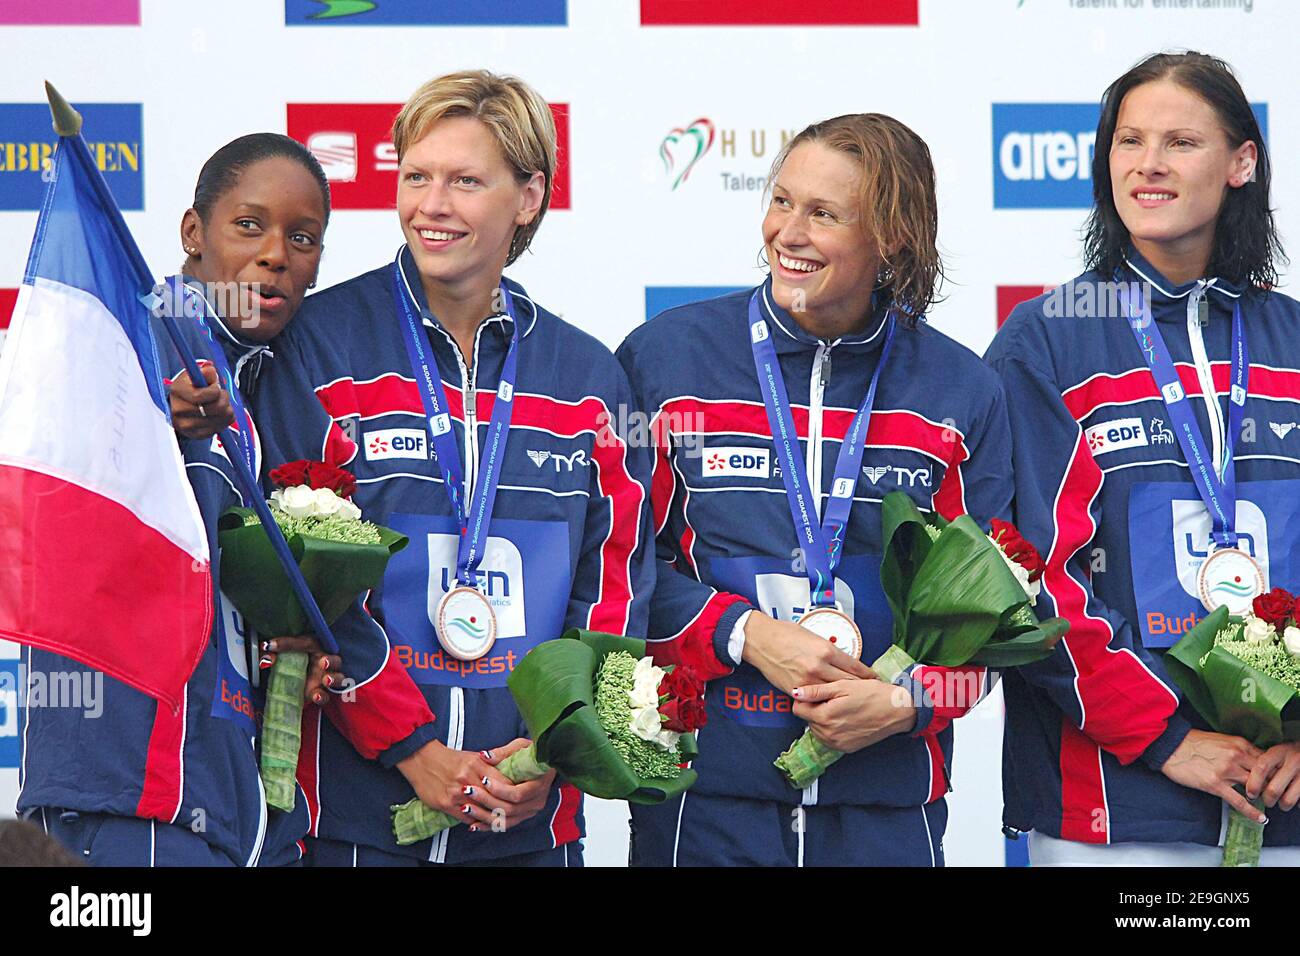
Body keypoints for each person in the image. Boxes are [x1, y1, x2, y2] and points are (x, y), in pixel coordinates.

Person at [255, 70, 653, 866]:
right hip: (350, 820)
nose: (431, 206)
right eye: (416, 176)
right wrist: (411, 747)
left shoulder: (587, 378)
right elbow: (303, 579)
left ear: (528, 197)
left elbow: (612, 586)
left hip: (528, 824)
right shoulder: (322, 345)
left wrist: (556, 747)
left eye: (466, 181)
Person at [616, 113, 1012, 866]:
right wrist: (745, 634)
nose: (787, 233)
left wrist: (908, 702)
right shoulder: (666, 360)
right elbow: (618, 572)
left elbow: (997, 623)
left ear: (890, 236)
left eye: (824, 214)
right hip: (704, 799)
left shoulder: (962, 389)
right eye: (781, 200)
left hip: (884, 806)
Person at [986, 51, 1300, 865]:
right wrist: (1164, 738)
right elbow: (1023, 577)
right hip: (1115, 806)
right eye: (1129, 141)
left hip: (1288, 797)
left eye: (1180, 142)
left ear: (1241, 162)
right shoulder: (1046, 342)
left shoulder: (1293, 342)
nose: (1148, 165)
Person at [18, 133, 357, 866]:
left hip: (235, 808)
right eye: (248, 225)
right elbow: (44, 481)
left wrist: (284, 648)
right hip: (125, 799)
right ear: (192, 233)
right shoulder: (126, 339)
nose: (276, 254)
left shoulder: (269, 392)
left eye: (303, 238)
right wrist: (146, 425)